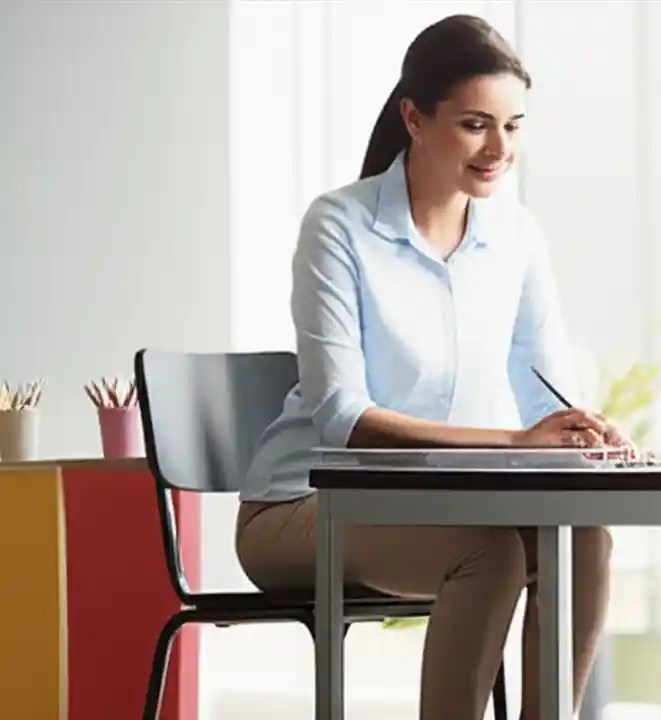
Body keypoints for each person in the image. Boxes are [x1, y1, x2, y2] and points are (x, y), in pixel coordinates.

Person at [235, 15, 622, 720]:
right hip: (301, 508)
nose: (500, 148)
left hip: (443, 505)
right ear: (414, 117)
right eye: (476, 124)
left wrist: (579, 433)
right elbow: (345, 420)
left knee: (584, 538)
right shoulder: (339, 226)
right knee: (492, 554)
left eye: (514, 125)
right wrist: (516, 444)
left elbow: (543, 400)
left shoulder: (516, 236)